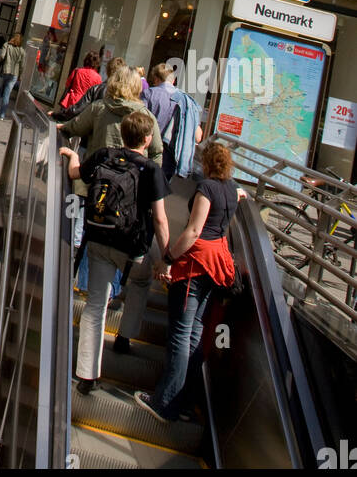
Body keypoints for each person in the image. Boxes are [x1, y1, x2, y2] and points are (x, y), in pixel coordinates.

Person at [60, 108, 171, 394]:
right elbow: (159, 218)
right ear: (147, 140)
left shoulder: (103, 156)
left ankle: (86, 374)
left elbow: (76, 173)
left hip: (99, 240)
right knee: (141, 283)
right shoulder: (152, 170)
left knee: (95, 305)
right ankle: (125, 336)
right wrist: (165, 260)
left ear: (123, 133)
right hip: (133, 247)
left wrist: (73, 156)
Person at [135, 141, 244, 424]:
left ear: (207, 163)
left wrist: (167, 258)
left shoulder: (206, 188)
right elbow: (238, 198)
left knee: (181, 335)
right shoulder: (233, 189)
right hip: (217, 266)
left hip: (196, 264)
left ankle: (165, 402)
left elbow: (194, 231)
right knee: (195, 334)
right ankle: (184, 402)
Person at [143, 62, 203, 180]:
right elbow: (198, 137)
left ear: (155, 79)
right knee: (159, 192)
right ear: (173, 80)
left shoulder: (148, 94)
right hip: (169, 158)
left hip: (146, 151)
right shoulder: (187, 102)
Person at [0, 32, 24, 119]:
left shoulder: (7, 45)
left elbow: (2, 56)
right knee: (7, 94)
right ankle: (2, 115)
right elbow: (22, 65)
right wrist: (20, 75)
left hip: (4, 71)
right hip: (14, 74)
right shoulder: (22, 50)